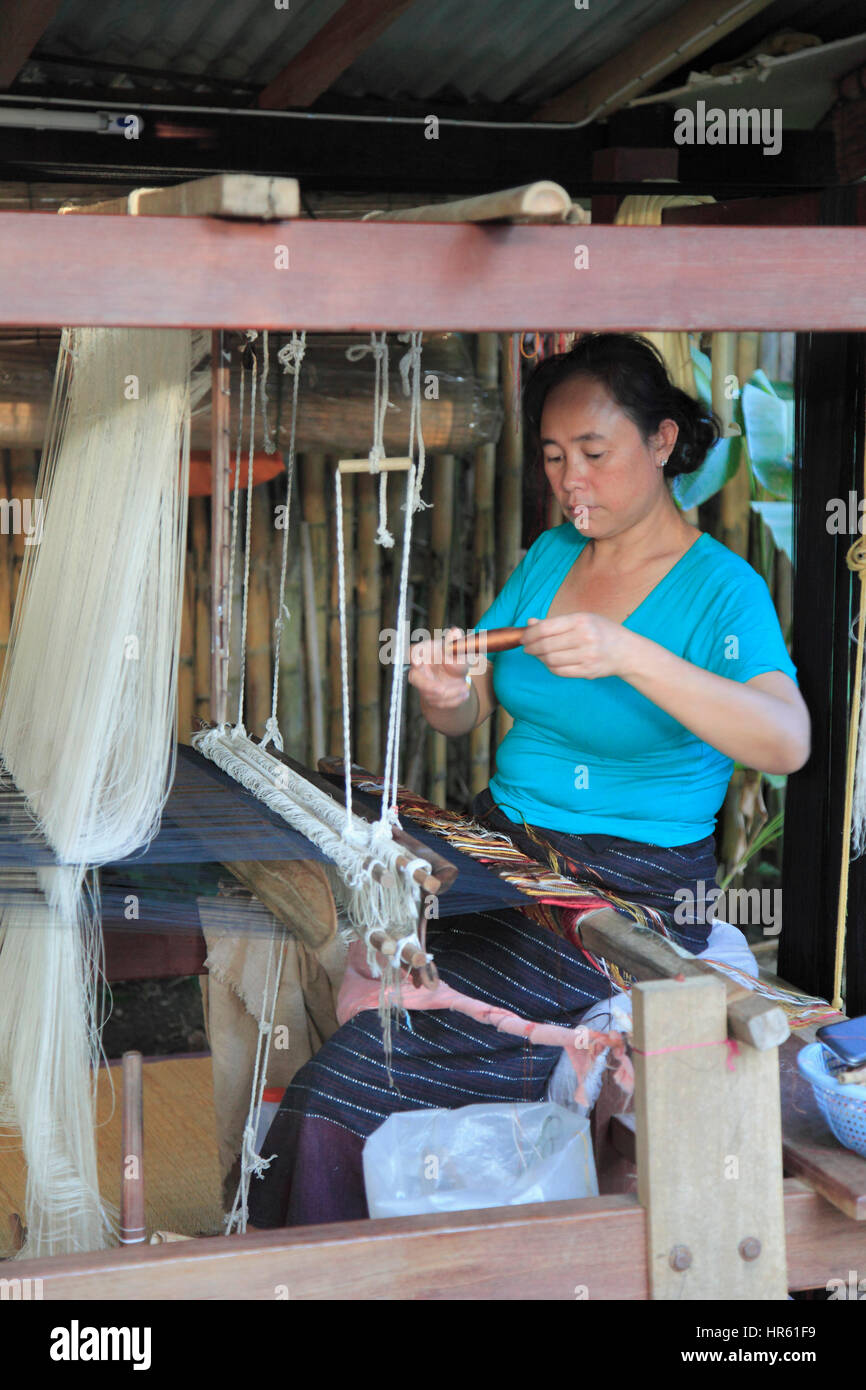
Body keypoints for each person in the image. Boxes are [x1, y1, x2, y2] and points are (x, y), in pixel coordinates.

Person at [247, 332, 809, 1228]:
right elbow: (470, 711)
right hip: (500, 861)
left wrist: (628, 653)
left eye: (595, 453)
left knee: (351, 1085)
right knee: (367, 1040)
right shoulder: (551, 559)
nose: (571, 480)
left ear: (662, 443)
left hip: (624, 902)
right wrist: (445, 692)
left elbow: (785, 741)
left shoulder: (719, 591)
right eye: (554, 457)